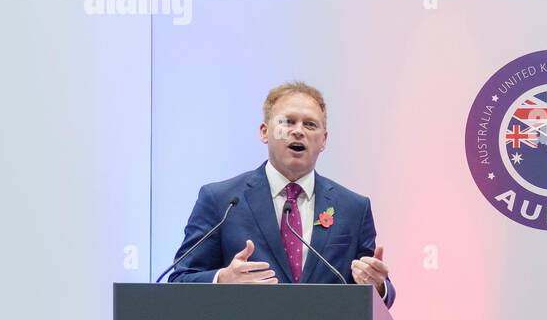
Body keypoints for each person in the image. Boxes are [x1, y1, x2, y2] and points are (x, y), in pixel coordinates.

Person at [167, 80, 395, 306]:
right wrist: (222, 280)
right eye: (287, 122)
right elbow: (180, 280)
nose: (298, 131)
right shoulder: (221, 200)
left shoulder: (353, 208)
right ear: (264, 132)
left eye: (310, 125)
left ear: (324, 140)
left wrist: (379, 286)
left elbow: (380, 290)